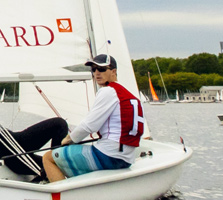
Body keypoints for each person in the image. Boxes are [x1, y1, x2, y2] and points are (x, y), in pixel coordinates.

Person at [38, 54, 145, 183]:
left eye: (101, 69)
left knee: (49, 158)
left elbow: (89, 126)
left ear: (113, 71)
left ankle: (64, 198)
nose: (96, 73)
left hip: (108, 156)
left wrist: (67, 140)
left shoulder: (108, 91)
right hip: (126, 159)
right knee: (71, 155)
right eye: (93, 69)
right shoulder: (130, 96)